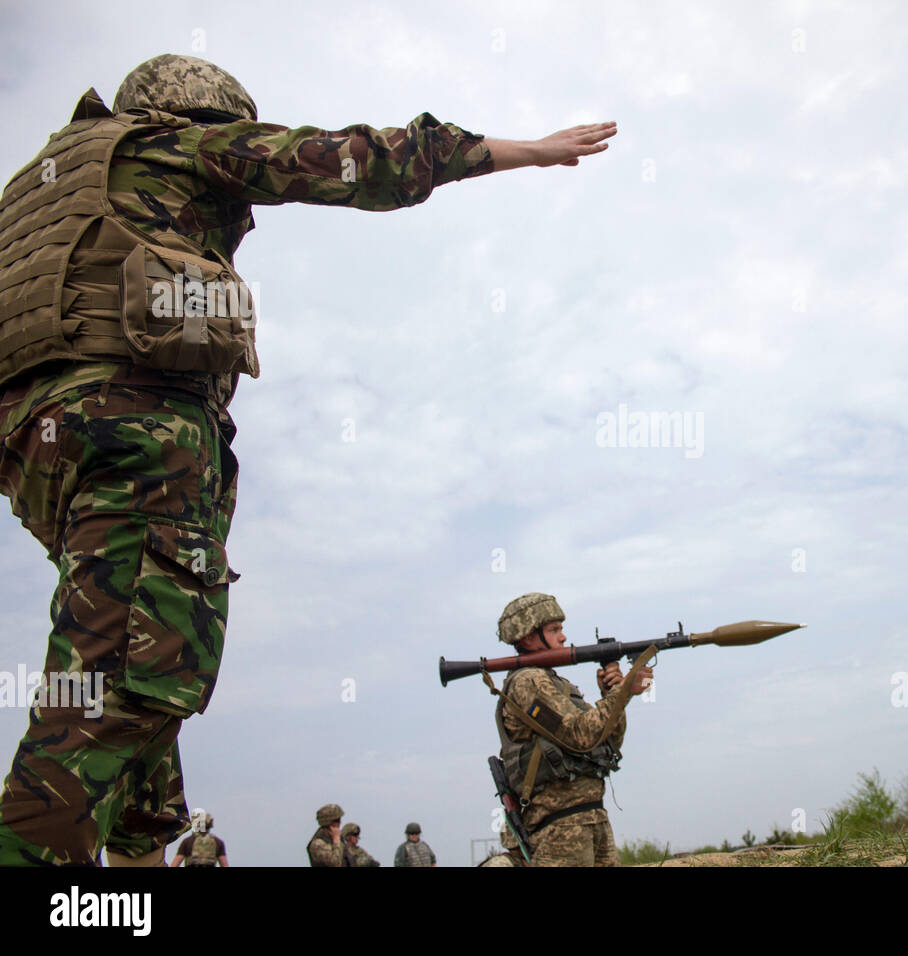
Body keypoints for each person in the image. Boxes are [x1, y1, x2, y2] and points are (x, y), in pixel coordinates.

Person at [0, 53, 617, 867]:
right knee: (110, 696)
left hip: (41, 451)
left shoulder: (41, 189)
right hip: (137, 436)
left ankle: (134, 872)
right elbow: (348, 159)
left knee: (136, 681)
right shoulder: (166, 145)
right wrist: (522, 150)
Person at [493, 593, 653, 866]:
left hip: (591, 818)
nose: (563, 637)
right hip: (561, 828)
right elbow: (580, 736)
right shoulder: (527, 682)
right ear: (528, 637)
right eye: (554, 630)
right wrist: (622, 693)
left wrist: (613, 693)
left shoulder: (555, 682)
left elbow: (607, 744)